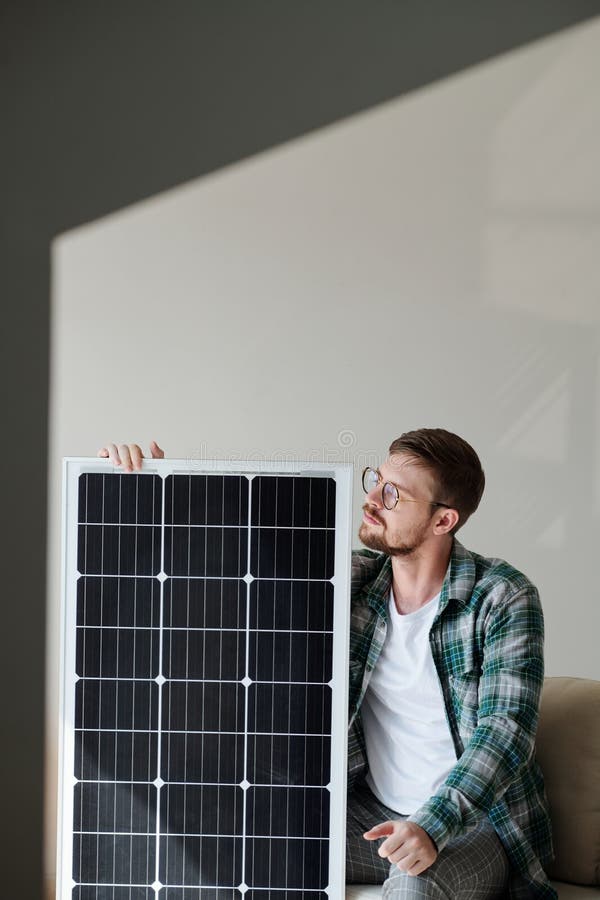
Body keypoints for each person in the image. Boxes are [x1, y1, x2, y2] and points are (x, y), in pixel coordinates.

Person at [98, 430, 555, 899]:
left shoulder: (502, 596)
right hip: (369, 815)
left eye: (393, 494)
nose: (373, 499)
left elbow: (506, 732)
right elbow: (241, 562)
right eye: (377, 480)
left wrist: (432, 826)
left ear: (444, 521)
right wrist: (157, 486)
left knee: (412, 887)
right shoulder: (353, 585)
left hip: (471, 825)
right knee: (231, 842)